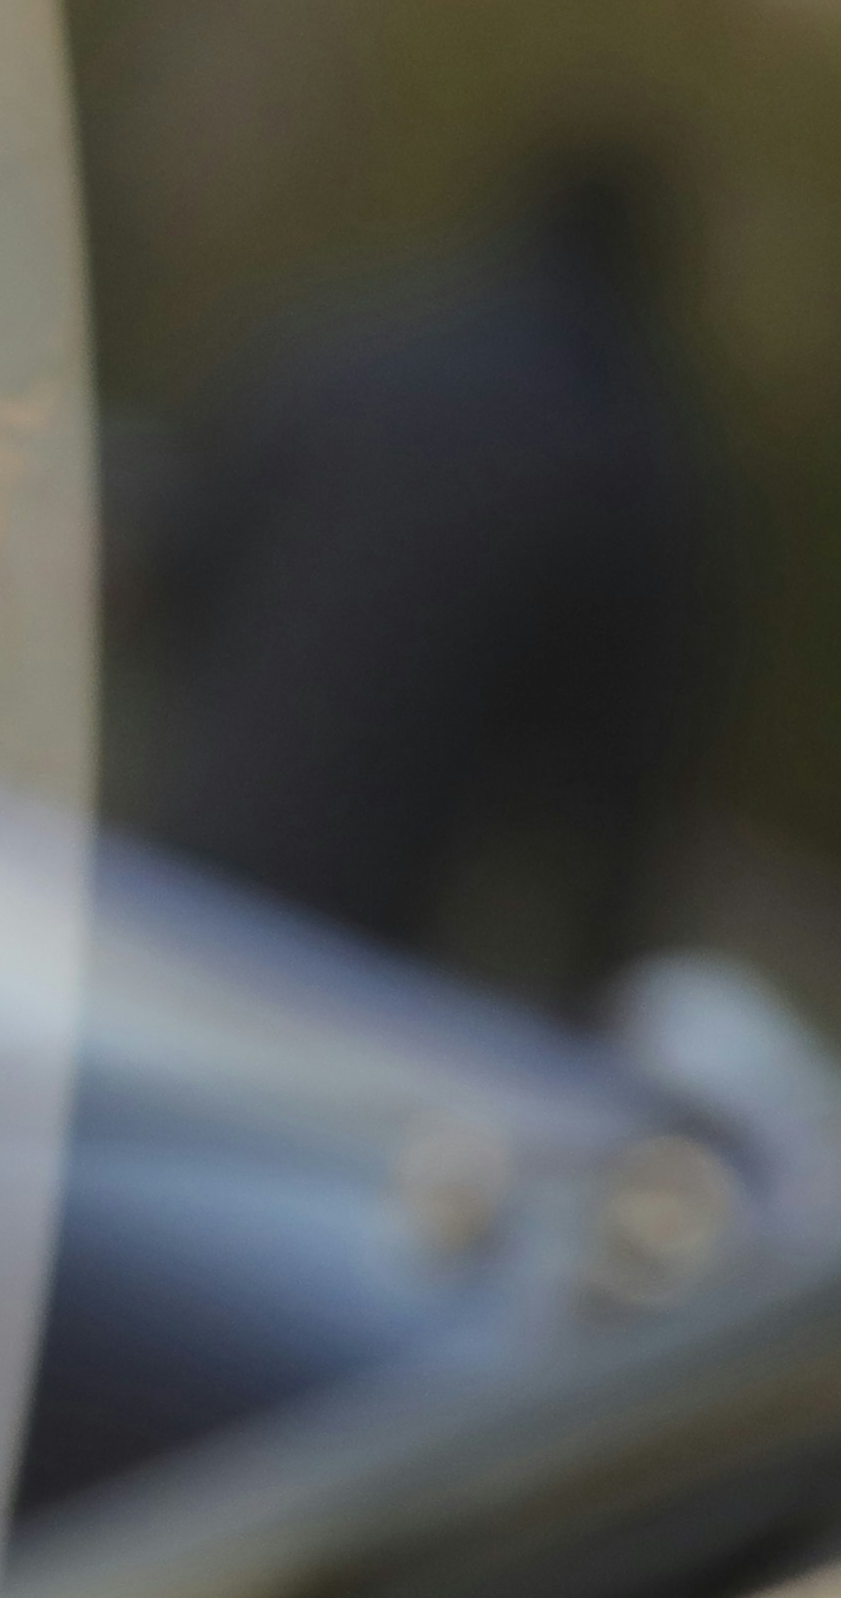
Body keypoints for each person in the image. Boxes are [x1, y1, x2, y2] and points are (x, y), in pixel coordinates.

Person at [127, 136, 726, 993]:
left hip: (172, 871)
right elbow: (622, 800)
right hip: (362, 957)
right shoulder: (633, 459)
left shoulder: (341, 349)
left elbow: (169, 574)